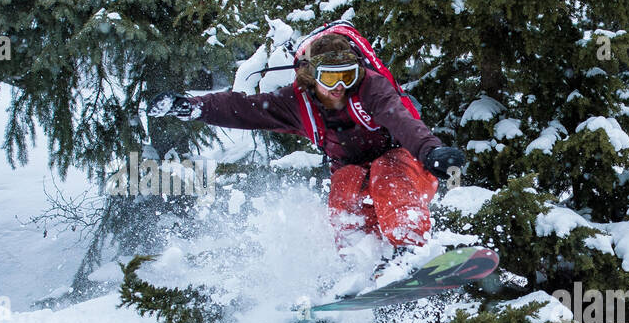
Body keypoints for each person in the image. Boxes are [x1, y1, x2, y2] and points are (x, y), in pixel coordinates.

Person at [148, 28, 465, 258]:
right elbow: (242, 108)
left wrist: (431, 150)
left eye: (348, 75)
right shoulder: (296, 104)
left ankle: (411, 248)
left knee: (387, 171)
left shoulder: (371, 89)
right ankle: (363, 263)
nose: (341, 86)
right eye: (330, 78)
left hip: (406, 164)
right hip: (354, 170)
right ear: (311, 77)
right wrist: (192, 105)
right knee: (344, 187)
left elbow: (400, 118)